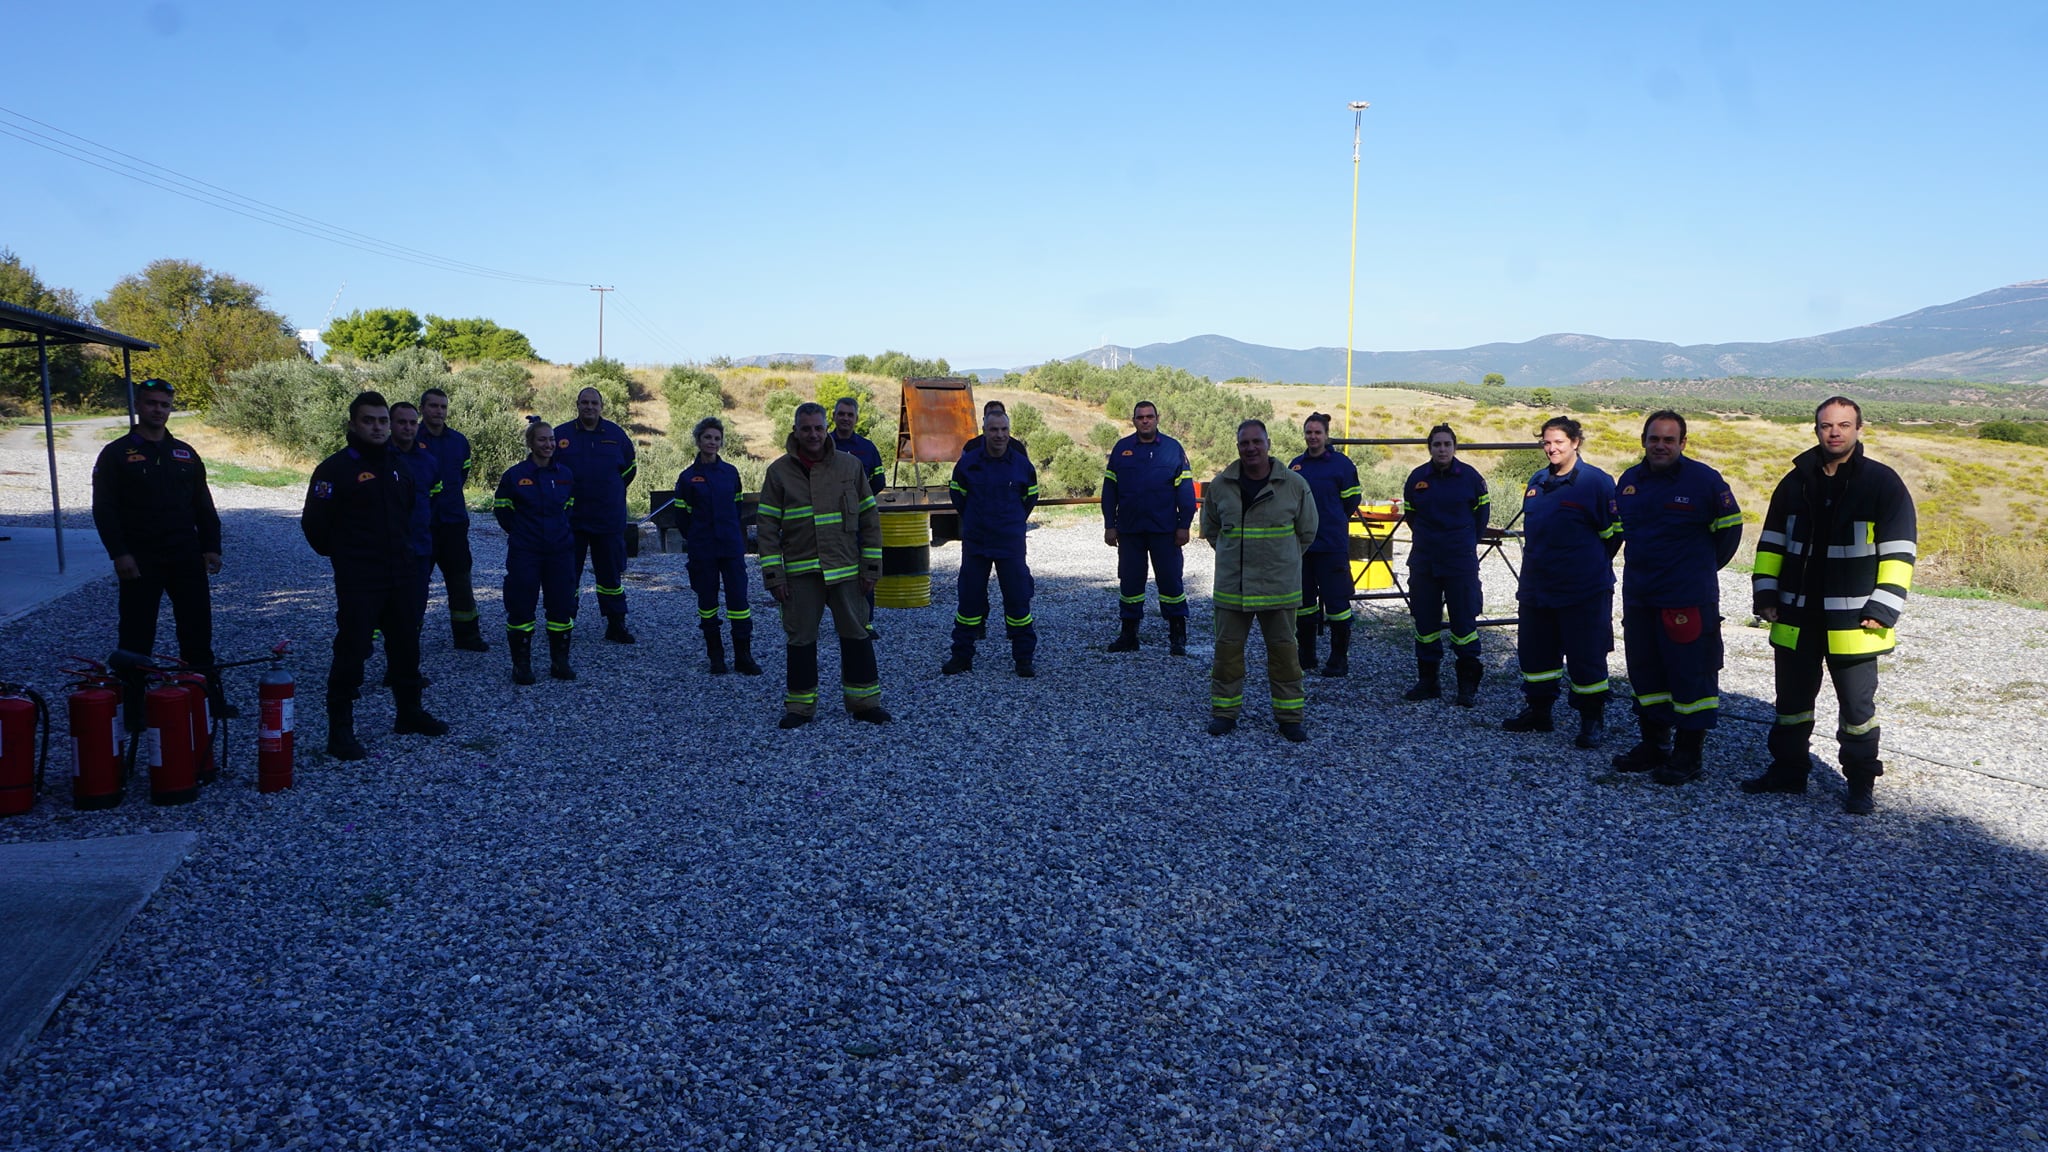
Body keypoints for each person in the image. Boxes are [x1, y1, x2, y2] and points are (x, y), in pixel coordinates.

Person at [1745, 396, 1916, 814]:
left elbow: (1899, 551)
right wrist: (1766, 594)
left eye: (1843, 425)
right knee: (1790, 705)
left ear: (1859, 429)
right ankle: (1788, 771)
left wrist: (1883, 607)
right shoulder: (1795, 482)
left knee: (1857, 712)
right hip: (1796, 615)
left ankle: (1859, 784)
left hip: (1856, 621)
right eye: (1826, 425)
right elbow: (1771, 544)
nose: (1834, 432)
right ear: (1816, 429)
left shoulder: (1882, 483)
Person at [302, 391, 449, 760]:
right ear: (353, 424)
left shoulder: (400, 467)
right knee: (352, 649)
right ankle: (340, 730)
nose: (378, 427)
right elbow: (315, 527)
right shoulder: (334, 470)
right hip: (360, 577)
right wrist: (348, 558)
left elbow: (410, 514)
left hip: (402, 572)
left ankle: (409, 713)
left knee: (406, 646)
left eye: (383, 420)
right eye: (369, 420)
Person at [1611, 411, 1744, 785]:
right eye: (1654, 438)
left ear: (1683, 443)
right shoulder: (1630, 482)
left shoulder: (1704, 481)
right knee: (1646, 672)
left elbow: (1730, 533)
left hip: (1687, 598)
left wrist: (1697, 570)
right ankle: (1654, 745)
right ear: (1643, 441)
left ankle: (1689, 754)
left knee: (1691, 677)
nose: (1661, 445)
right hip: (1641, 597)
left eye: (1669, 439)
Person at [90, 377, 234, 717]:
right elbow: (104, 509)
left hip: (186, 554)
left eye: (164, 404)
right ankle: (135, 708)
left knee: (197, 632)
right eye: (151, 403)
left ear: (171, 409)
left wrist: (212, 546)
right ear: (138, 406)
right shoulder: (116, 454)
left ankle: (206, 700)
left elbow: (203, 503)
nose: (158, 409)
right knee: (137, 634)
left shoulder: (184, 453)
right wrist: (119, 553)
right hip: (140, 559)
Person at [758, 403, 889, 728]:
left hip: (846, 571)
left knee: (857, 636)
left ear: (825, 428)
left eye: (818, 428)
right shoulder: (778, 473)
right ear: (796, 431)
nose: (813, 435)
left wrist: (871, 568)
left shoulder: (850, 466)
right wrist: (775, 576)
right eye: (806, 429)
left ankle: (864, 703)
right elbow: (766, 529)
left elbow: (870, 520)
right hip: (801, 574)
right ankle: (800, 708)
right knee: (800, 639)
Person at [1504, 416, 1621, 748]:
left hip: (1583, 589)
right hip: (1538, 586)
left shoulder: (1595, 483)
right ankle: (1539, 712)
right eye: (1546, 442)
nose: (1552, 448)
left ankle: (1591, 721)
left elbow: (1613, 534)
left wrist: (1584, 565)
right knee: (1536, 654)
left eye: (1558, 441)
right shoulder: (1537, 481)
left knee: (1586, 657)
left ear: (1575, 443)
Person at [1201, 419, 1318, 742]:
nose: (1251, 448)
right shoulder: (1221, 485)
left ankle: (1290, 717)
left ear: (1268, 443)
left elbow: (1307, 532)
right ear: (1237, 447)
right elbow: (1211, 530)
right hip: (1232, 587)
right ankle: (1224, 713)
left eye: (1256, 442)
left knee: (1285, 656)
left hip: (1278, 588)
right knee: (1226, 654)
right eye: (1244, 443)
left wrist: (1282, 559)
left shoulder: (1294, 485)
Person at [942, 409, 1041, 677]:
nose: (999, 435)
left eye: (1004, 430)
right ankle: (962, 656)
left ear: (1009, 431)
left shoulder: (1021, 465)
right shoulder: (968, 463)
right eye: (994, 430)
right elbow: (958, 495)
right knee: (969, 602)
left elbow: (1030, 497)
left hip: (1010, 543)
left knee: (1018, 600)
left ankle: (1023, 659)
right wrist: (976, 520)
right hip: (977, 543)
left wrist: (1013, 521)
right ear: (984, 431)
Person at [1400, 424, 1491, 707]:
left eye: (1447, 444)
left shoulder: (1471, 478)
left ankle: (1466, 687)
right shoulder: (1417, 478)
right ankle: (1429, 682)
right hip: (1425, 561)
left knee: (1464, 623)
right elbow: (1411, 515)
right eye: (1437, 444)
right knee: (1425, 623)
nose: (1442, 449)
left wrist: (1462, 543)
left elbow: (1482, 516)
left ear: (1455, 447)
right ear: (1430, 448)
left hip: (1459, 563)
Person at [1101, 400, 1198, 654]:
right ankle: (1129, 635)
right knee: (1130, 583)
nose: (1145, 420)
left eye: (1149, 416)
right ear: (1133, 420)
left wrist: (1184, 525)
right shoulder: (1122, 449)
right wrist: (1109, 525)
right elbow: (1109, 491)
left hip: (1164, 531)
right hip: (1130, 531)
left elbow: (1185, 492)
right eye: (1140, 417)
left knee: (1171, 583)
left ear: (1157, 418)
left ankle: (1177, 635)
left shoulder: (1172, 449)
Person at [493, 418, 579, 685]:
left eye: (551, 439)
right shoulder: (515, 476)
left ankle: (559, 662)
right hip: (526, 551)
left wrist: (559, 533)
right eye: (542, 439)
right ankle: (522, 665)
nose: (548, 444)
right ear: (530, 443)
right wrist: (521, 533)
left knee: (562, 606)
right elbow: (503, 510)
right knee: (520, 607)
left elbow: (570, 507)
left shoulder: (565, 474)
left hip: (560, 551)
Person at [676, 416, 760, 676]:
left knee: (739, 602)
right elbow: (682, 517)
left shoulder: (731, 473)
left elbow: (737, 507)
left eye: (716, 438)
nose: (712, 442)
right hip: (703, 549)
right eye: (707, 437)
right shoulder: (688, 478)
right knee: (708, 602)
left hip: (731, 547)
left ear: (721, 441)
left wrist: (729, 533)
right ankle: (716, 657)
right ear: (698, 440)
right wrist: (699, 537)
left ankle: (743, 657)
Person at [554, 387, 638, 644]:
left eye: (594, 403)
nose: (589, 407)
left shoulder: (616, 435)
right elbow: (546, 469)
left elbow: (629, 470)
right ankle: (564, 624)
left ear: (602, 406)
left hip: (607, 518)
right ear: (576, 405)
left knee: (611, 576)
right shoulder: (561, 435)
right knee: (568, 574)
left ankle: (616, 624)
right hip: (571, 520)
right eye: (584, 402)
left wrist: (608, 491)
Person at [1288, 412, 1361, 677]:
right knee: (1304, 604)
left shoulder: (1342, 465)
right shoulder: (1296, 466)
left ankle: (1338, 659)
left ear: (1326, 435)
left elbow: (1351, 502)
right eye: (1309, 432)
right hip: (1303, 548)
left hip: (1331, 546)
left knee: (1338, 605)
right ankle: (1306, 656)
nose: (1313, 437)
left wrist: (1331, 521)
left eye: (1317, 432)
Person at [417, 387, 487, 651]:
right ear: (422, 408)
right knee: (416, 586)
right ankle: (407, 642)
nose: (439, 411)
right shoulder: (410, 438)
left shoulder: (459, 441)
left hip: (454, 523)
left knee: (461, 582)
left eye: (443, 407)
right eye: (433, 406)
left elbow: (462, 475)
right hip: (421, 526)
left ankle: (467, 637)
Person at [830, 395, 887, 638]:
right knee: (830, 571)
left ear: (856, 418)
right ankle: (833, 619)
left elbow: (879, 480)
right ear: (833, 417)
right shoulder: (822, 443)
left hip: (858, 521)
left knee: (864, 568)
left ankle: (866, 621)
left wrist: (857, 501)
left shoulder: (867, 448)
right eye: (841, 413)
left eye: (849, 414)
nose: (845, 418)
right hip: (827, 522)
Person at [388, 401, 439, 640]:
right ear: (390, 424)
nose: (408, 428)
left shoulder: (428, 461)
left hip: (419, 546)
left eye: (412, 423)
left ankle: (406, 667)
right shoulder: (378, 458)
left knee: (415, 607)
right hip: (383, 550)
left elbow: (434, 498)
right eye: (401, 422)